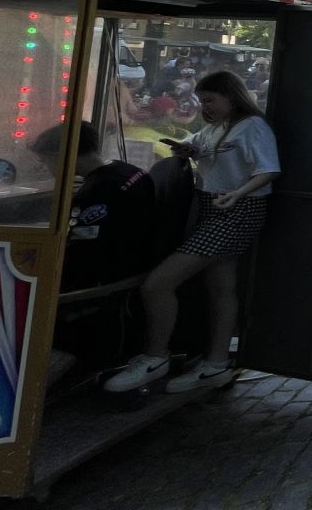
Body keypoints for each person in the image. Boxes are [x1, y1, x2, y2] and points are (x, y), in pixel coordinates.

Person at [104, 71, 281, 394]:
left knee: (158, 283)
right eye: (203, 101)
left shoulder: (252, 127)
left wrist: (238, 193)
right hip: (215, 208)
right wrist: (187, 152)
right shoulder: (214, 129)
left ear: (232, 96)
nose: (206, 107)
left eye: (211, 100)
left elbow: (268, 169)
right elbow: (196, 147)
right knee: (220, 287)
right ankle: (215, 363)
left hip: (236, 212)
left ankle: (156, 356)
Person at [32, 122, 161, 291]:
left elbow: (78, 248)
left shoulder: (97, 192)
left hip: (104, 276)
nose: (44, 166)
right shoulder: (128, 171)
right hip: (136, 257)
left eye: (44, 160)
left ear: (61, 154)